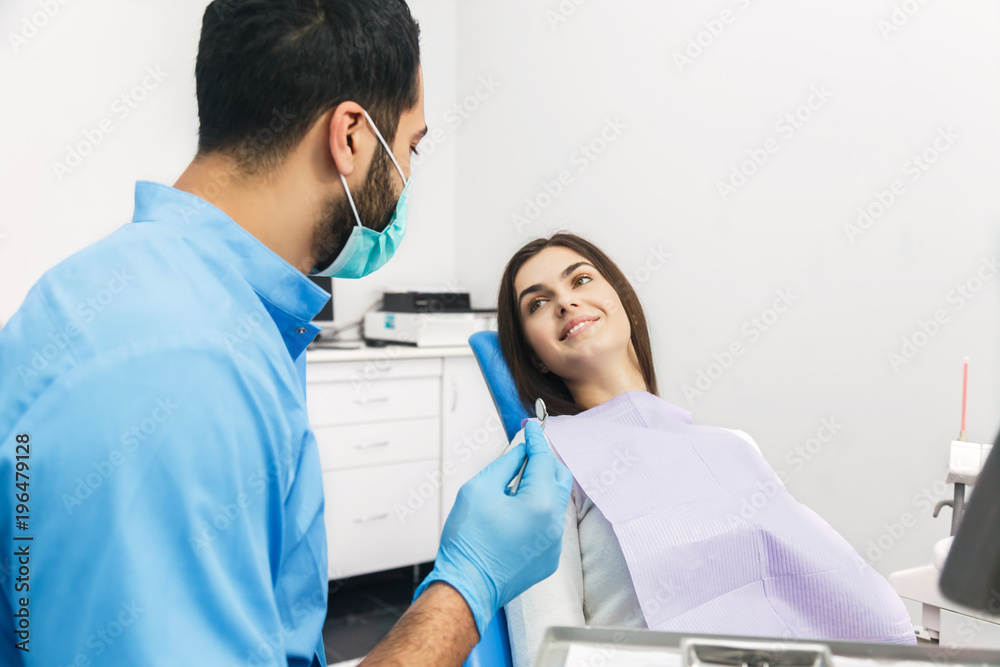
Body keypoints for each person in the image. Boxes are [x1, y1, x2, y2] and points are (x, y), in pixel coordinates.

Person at [0, 2, 571, 665]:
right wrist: (467, 586)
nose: (409, 174)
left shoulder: (156, 301)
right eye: (411, 146)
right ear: (351, 136)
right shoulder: (181, 368)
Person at [494, 233, 916, 667]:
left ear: (624, 306)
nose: (564, 302)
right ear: (536, 357)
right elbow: (546, 653)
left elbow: (814, 583)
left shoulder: (733, 446)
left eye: (580, 280)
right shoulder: (544, 452)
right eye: (537, 303)